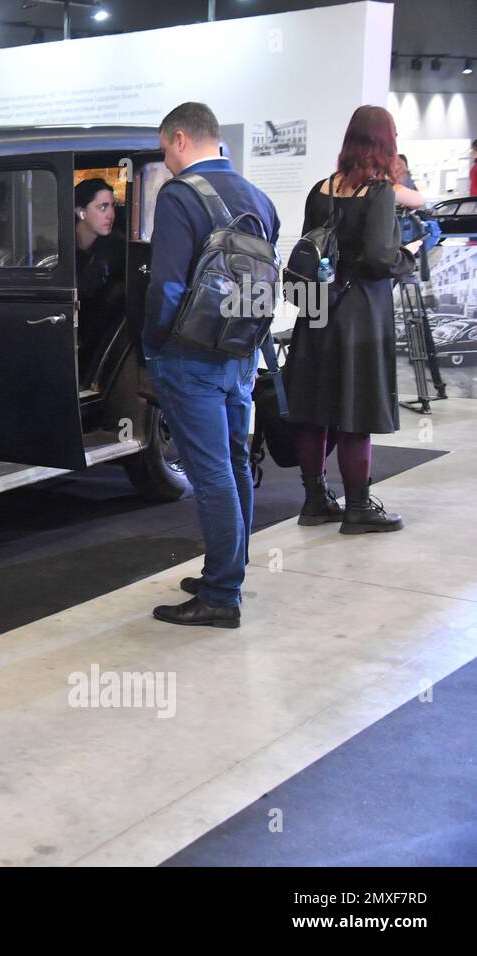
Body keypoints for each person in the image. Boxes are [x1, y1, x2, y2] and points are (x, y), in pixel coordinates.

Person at [144, 102, 279, 629]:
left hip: (188, 355)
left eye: (164, 152)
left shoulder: (180, 197)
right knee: (236, 463)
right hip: (240, 354)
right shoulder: (257, 197)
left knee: (211, 474)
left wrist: (155, 344)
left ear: (180, 139)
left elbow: (168, 285)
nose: (167, 163)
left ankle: (222, 595)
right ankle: (230, 568)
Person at [283, 105, 422, 534]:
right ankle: (358, 507)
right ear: (385, 142)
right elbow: (380, 257)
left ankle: (315, 501)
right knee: (355, 412)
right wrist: (409, 257)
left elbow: (311, 252)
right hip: (360, 316)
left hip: (317, 311)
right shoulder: (379, 193)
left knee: (316, 410)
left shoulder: (320, 190)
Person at [74, 178, 126, 378]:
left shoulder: (113, 246)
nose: (111, 214)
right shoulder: (64, 244)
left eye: (112, 206)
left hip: (96, 338)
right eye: (102, 207)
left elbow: (87, 287)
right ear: (81, 212)